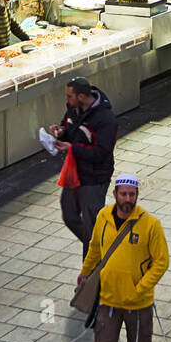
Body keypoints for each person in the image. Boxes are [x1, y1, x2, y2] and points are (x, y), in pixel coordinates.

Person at [79, 172, 169, 342]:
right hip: (109, 300)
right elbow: (95, 248)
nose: (128, 199)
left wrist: (139, 289)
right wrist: (85, 272)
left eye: (132, 194)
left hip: (138, 304)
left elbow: (161, 261)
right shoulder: (103, 216)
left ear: (137, 195)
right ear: (114, 194)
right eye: (124, 194)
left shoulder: (151, 224)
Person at [51, 77, 118, 259]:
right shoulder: (74, 108)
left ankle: (89, 274)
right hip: (75, 172)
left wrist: (72, 148)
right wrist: (61, 131)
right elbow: (67, 125)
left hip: (94, 177)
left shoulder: (106, 119)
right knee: (69, 214)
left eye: (69, 96)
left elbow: (101, 153)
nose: (67, 99)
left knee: (91, 225)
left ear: (81, 96)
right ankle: (101, 248)